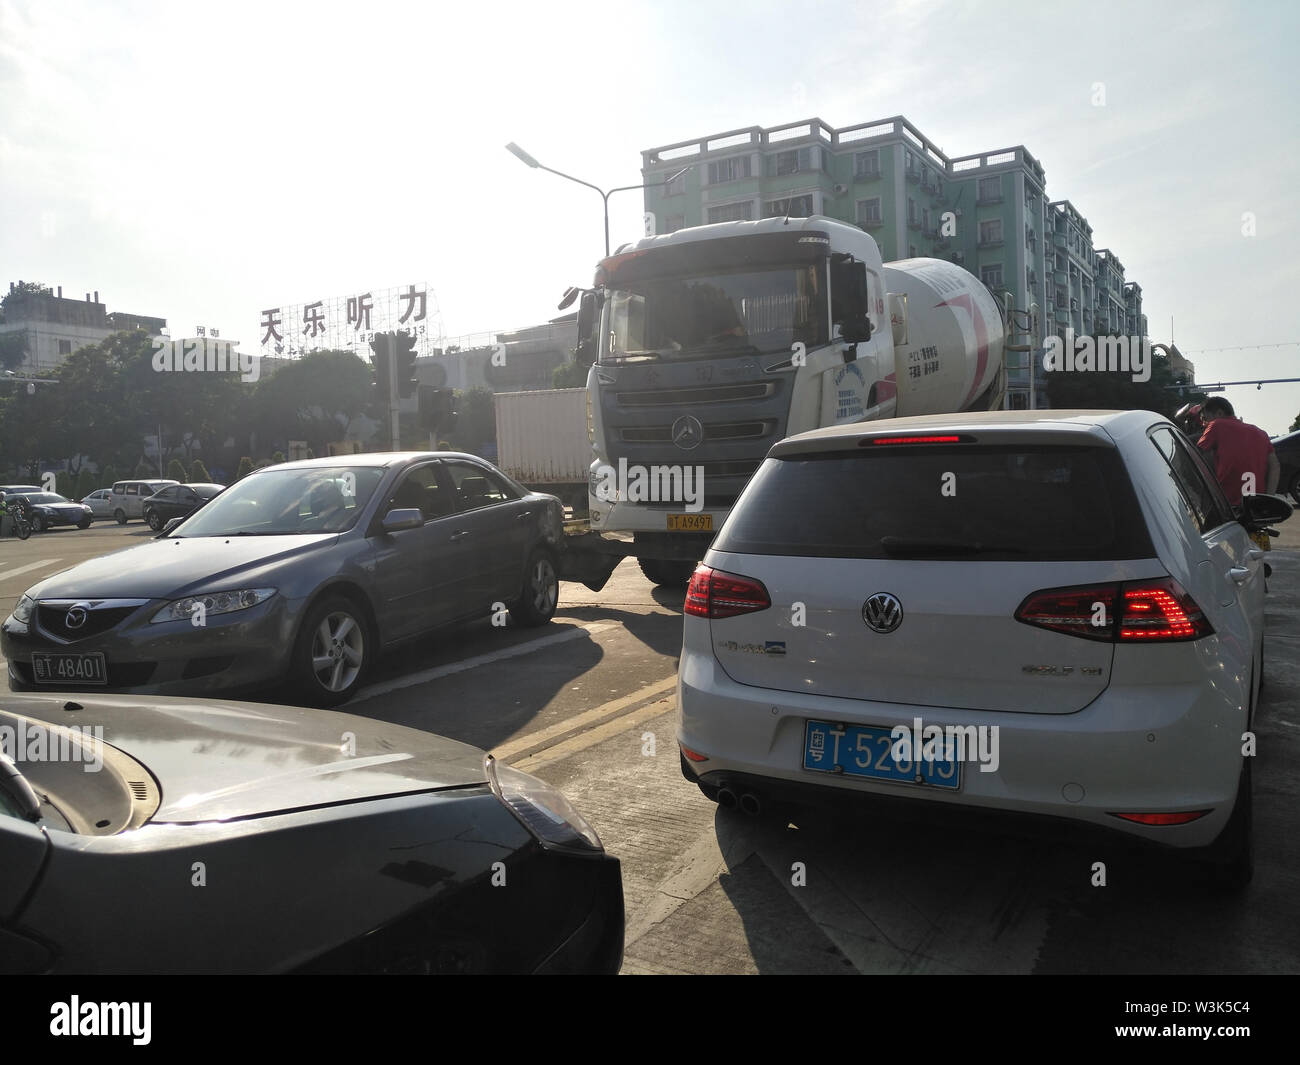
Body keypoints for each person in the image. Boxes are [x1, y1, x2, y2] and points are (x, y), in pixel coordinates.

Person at [1195, 397, 1280, 507]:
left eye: (1205, 419)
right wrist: (1269, 499)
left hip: (1229, 506)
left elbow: (1194, 454)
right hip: (1257, 505)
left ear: (1219, 413)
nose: (1203, 424)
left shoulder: (1217, 425)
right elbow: (1275, 466)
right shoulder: (1261, 433)